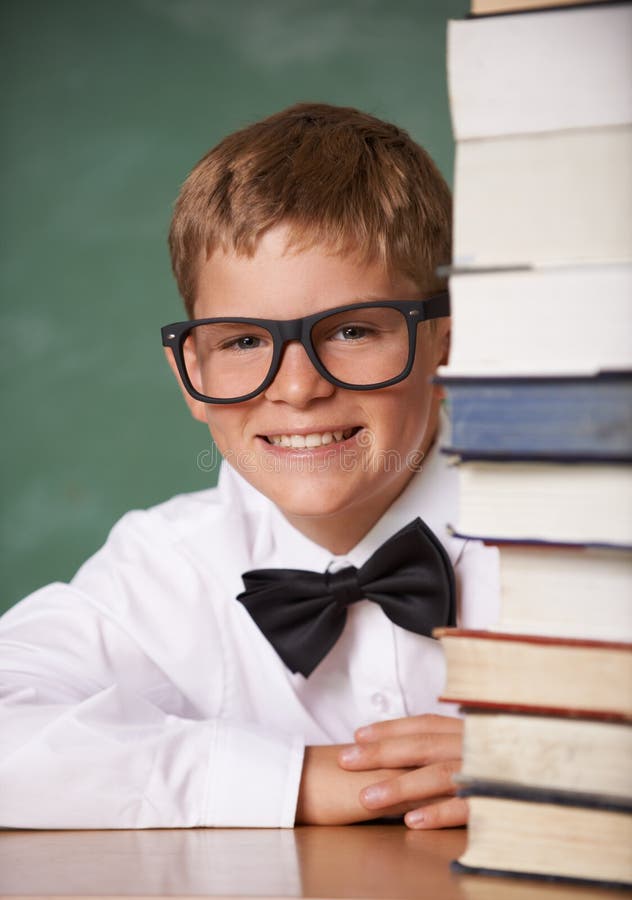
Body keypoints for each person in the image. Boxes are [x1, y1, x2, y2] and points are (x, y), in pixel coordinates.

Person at [0, 102, 499, 830]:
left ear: (447, 345)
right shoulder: (166, 567)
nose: (297, 388)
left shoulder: (573, 538)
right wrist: (294, 782)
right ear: (187, 371)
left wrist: (562, 762)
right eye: (241, 343)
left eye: (353, 330)